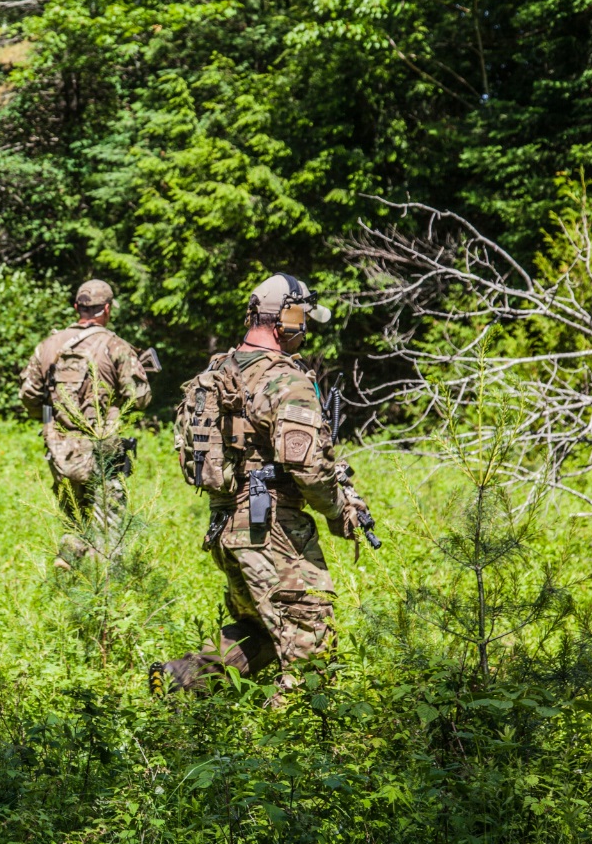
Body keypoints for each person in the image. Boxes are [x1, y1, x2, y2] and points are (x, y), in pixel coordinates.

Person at [152, 273, 373, 702]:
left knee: (262, 630)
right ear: (288, 318)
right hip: (272, 529)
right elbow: (308, 468)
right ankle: (292, 739)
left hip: (226, 526)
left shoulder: (218, 371)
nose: (305, 331)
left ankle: (179, 684)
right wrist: (339, 510)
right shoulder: (284, 379)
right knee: (309, 640)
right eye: (303, 319)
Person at [19, 280, 152, 568]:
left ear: (76, 307)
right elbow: (139, 398)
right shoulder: (115, 346)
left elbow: (28, 395)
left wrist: (52, 422)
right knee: (108, 525)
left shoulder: (48, 346)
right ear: (107, 309)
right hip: (102, 450)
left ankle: (68, 565)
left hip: (60, 451)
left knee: (74, 518)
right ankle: (103, 578)